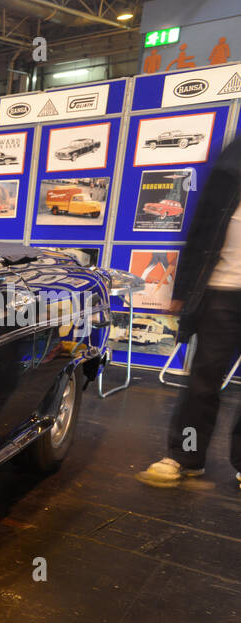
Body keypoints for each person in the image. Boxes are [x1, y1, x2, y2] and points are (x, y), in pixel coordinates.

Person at [139, 134, 241, 490]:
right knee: (202, 383)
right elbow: (199, 230)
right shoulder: (232, 162)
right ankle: (186, 456)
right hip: (222, 291)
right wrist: (181, 289)